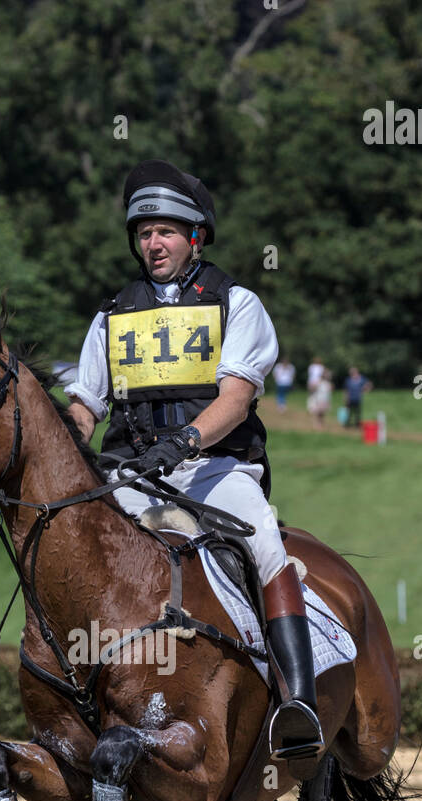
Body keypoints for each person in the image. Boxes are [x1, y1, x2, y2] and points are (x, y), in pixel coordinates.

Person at [65, 158, 323, 761]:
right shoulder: (113, 314)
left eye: (165, 232)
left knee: (264, 543)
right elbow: (86, 404)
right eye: (144, 234)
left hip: (214, 470)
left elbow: (236, 398)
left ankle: (299, 704)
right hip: (130, 475)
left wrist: (183, 443)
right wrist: (69, 448)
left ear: (195, 236)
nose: (153, 244)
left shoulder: (238, 303)